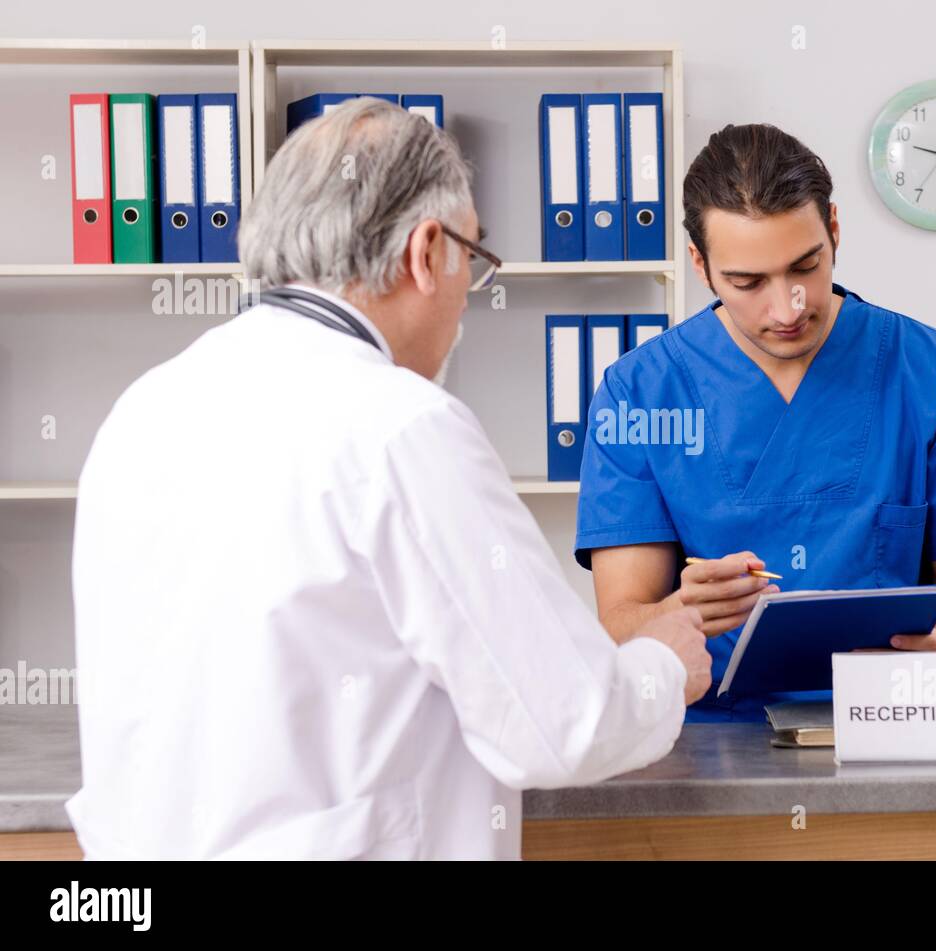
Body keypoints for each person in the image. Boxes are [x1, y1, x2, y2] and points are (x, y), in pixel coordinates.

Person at [67, 97, 710, 860]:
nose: (465, 295)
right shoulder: (402, 424)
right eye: (472, 258)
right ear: (426, 249)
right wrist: (666, 661)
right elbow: (563, 725)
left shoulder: (146, 406)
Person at [576, 123, 936, 722]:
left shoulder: (932, 372)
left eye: (805, 267)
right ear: (701, 265)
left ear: (834, 232)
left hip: (890, 728)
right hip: (704, 746)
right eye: (748, 283)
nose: (786, 308)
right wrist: (676, 610)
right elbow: (621, 620)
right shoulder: (639, 393)